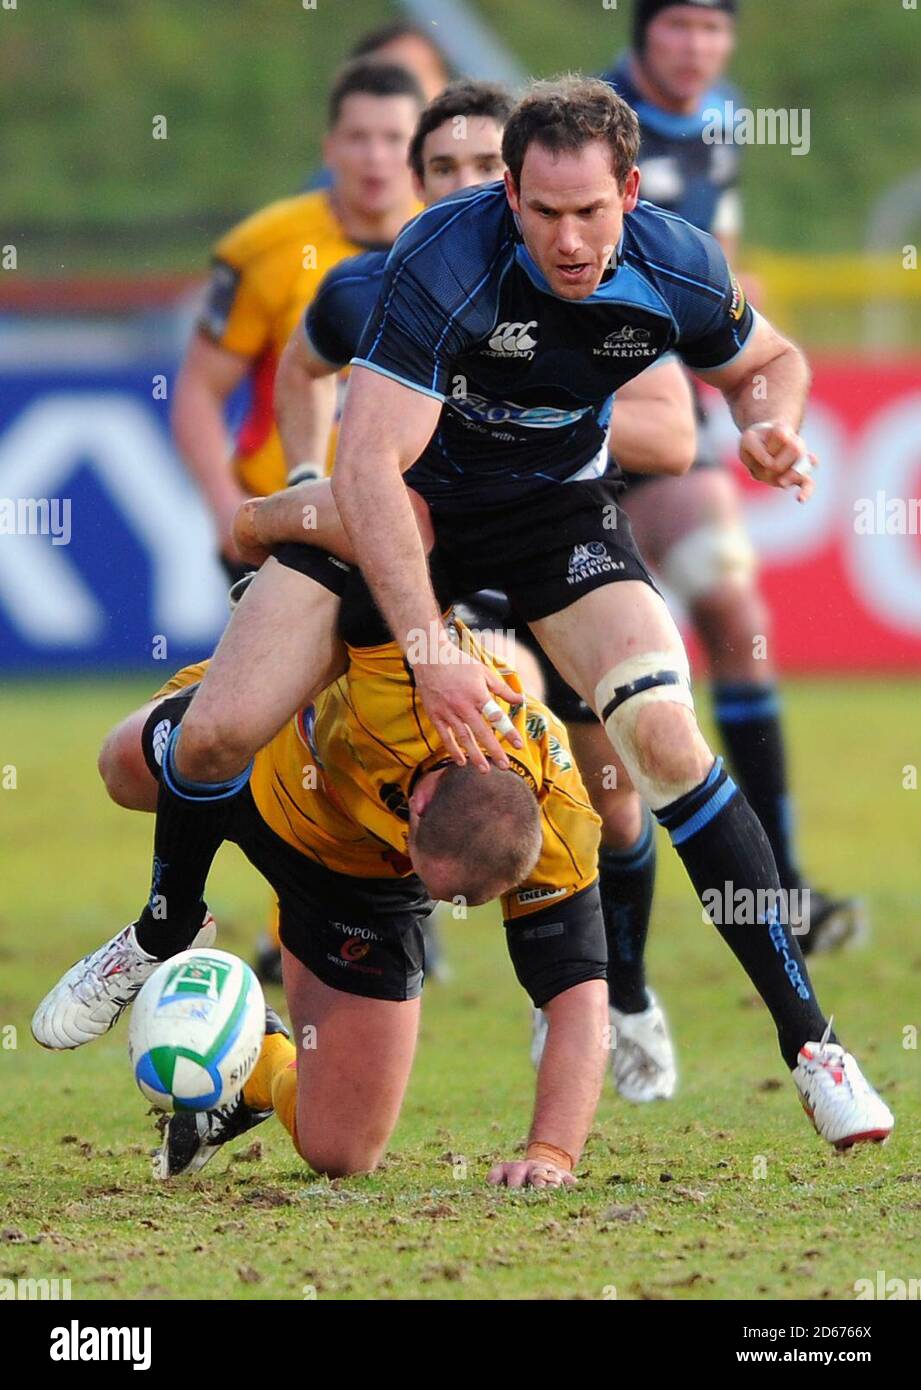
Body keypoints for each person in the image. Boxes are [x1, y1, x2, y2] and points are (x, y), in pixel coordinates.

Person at [34, 78, 892, 1149]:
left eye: (590, 212)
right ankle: (160, 929)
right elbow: (372, 471)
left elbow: (769, 362)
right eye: (543, 212)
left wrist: (771, 424)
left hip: (551, 516)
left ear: (629, 191)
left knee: (665, 740)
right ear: (512, 198)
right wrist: (433, 647)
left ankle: (812, 1043)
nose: (569, 239)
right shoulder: (441, 260)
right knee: (214, 731)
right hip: (404, 514)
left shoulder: (676, 262)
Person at [274, 78, 697, 1092]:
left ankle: (621, 987)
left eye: (481, 166)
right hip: (419, 564)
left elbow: (676, 434)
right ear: (434, 190)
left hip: (546, 544)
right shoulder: (368, 288)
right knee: (336, 719)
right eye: (447, 171)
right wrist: (300, 484)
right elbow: (302, 371)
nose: (468, 185)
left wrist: (541, 409)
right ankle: (353, 924)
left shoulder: (594, 285)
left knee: (614, 798)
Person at [39, 595, 610, 1190]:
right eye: (423, 868)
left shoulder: (559, 821)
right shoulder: (404, 674)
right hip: (261, 746)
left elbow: (577, 991)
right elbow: (356, 538)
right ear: (414, 808)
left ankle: (259, 1057)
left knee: (340, 1152)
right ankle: (158, 932)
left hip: (351, 880)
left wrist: (551, 1155)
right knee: (121, 768)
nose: (435, 905)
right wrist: (264, 530)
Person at [594, 0, 862, 957]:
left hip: (672, 400)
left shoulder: (726, 119)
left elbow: (725, 267)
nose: (697, 48)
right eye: (679, 28)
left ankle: (780, 885)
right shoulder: (591, 121)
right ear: (640, 33)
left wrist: (749, 405)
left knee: (732, 606)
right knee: (561, 674)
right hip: (562, 403)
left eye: (713, 29)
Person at [171, 59, 424, 582]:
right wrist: (225, 508)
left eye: (393, 138)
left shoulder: (454, 245)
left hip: (416, 523)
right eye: (358, 138)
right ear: (329, 147)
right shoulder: (265, 247)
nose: (375, 157)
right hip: (285, 526)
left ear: (418, 150)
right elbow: (199, 389)